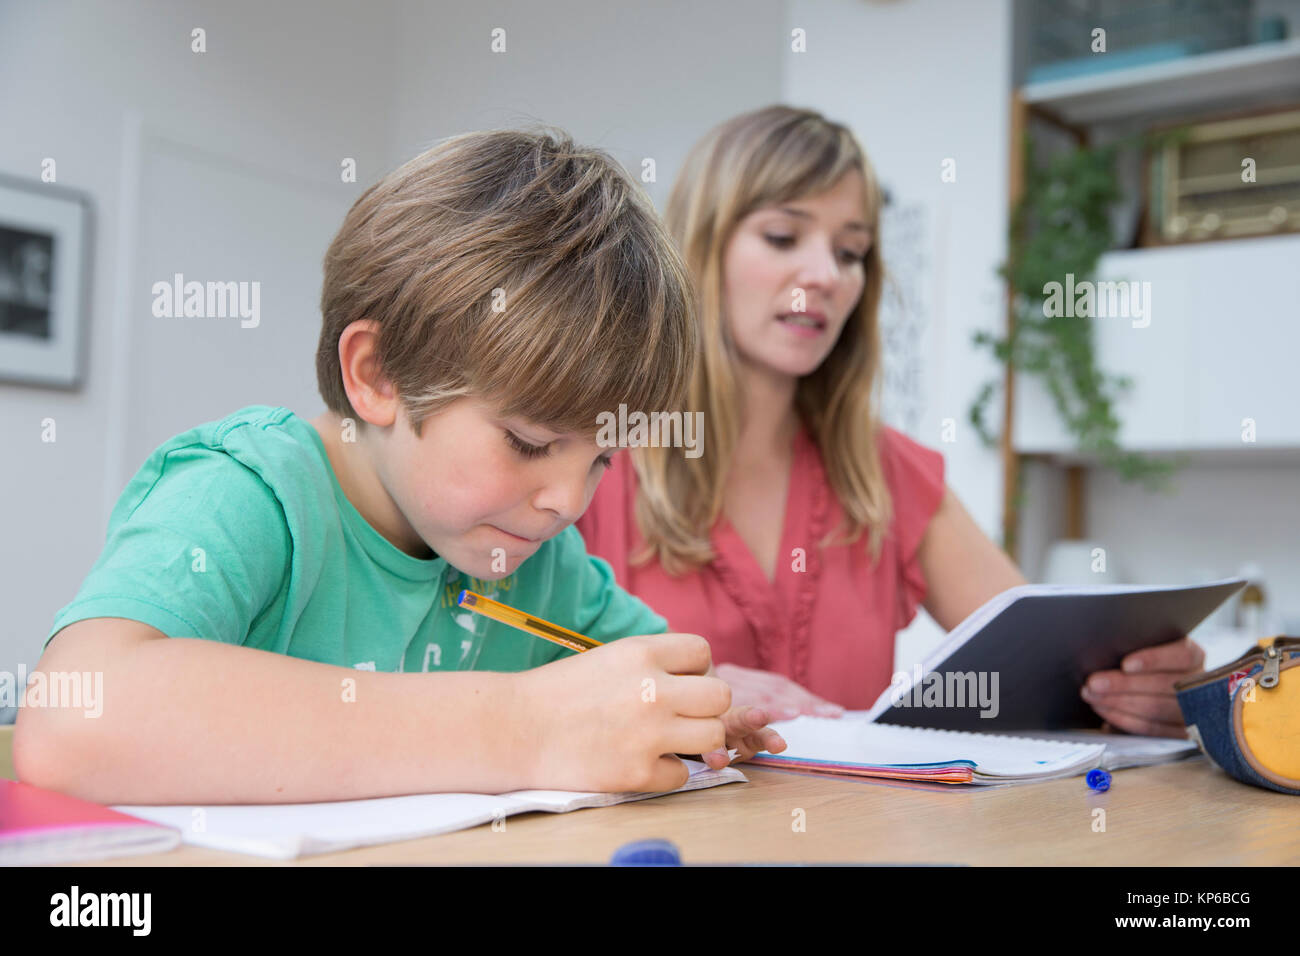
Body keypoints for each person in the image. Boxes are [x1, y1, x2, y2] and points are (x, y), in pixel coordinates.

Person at [14, 127, 785, 805]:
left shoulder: (542, 563)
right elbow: (70, 724)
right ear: (378, 374)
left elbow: (651, 688)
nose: (565, 502)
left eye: (602, 460)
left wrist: (687, 715)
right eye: (528, 441)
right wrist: (522, 728)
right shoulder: (246, 495)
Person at [577, 105, 1203, 737]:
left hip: (852, 834)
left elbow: (1057, 666)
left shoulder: (884, 472)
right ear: (700, 247)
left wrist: (1139, 685)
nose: (825, 275)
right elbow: (503, 679)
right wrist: (657, 681)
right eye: (782, 237)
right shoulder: (593, 455)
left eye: (851, 251)